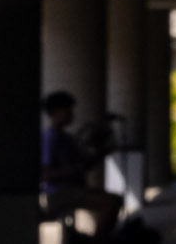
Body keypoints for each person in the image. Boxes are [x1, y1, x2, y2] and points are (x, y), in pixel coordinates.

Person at [41, 90, 123, 238]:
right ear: (54, 112)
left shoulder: (66, 138)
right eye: (67, 109)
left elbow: (82, 165)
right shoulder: (49, 138)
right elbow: (46, 174)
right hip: (59, 192)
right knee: (111, 202)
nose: (71, 114)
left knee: (115, 200)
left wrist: (100, 154)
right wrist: (73, 169)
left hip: (73, 189)